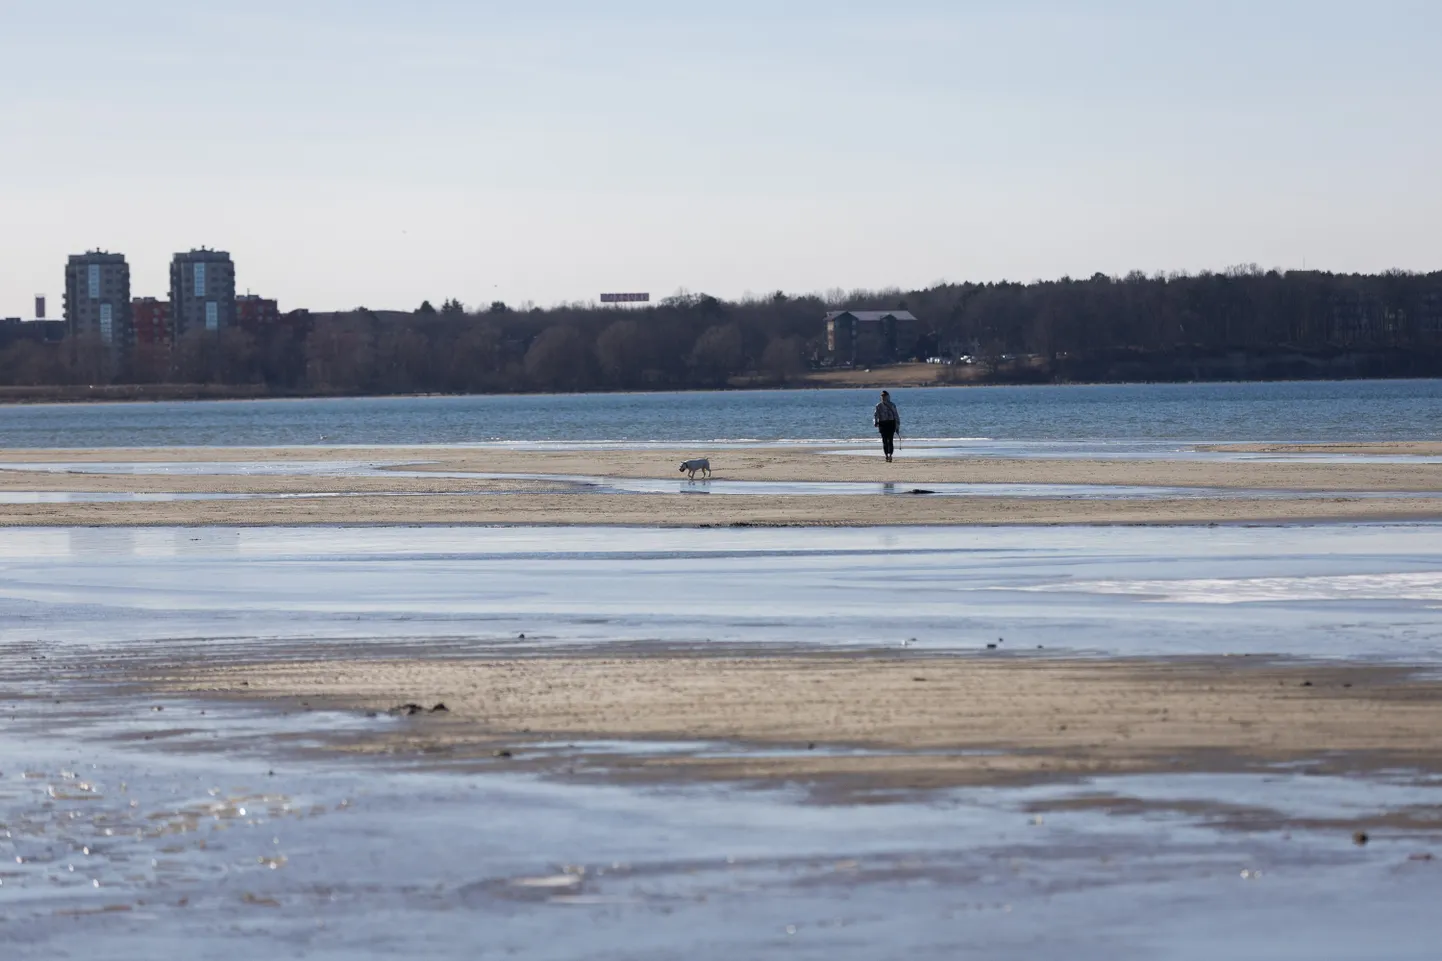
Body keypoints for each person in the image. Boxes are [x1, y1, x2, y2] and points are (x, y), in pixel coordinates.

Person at [873, 390, 900, 462]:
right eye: (882, 396)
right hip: (882, 424)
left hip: (891, 423)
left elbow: (896, 415)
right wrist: (875, 422)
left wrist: (897, 426)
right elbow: (875, 415)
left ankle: (890, 455)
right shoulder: (878, 405)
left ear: (888, 397)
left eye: (884, 396)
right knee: (884, 441)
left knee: (890, 440)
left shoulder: (892, 405)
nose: (883, 397)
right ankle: (886, 455)